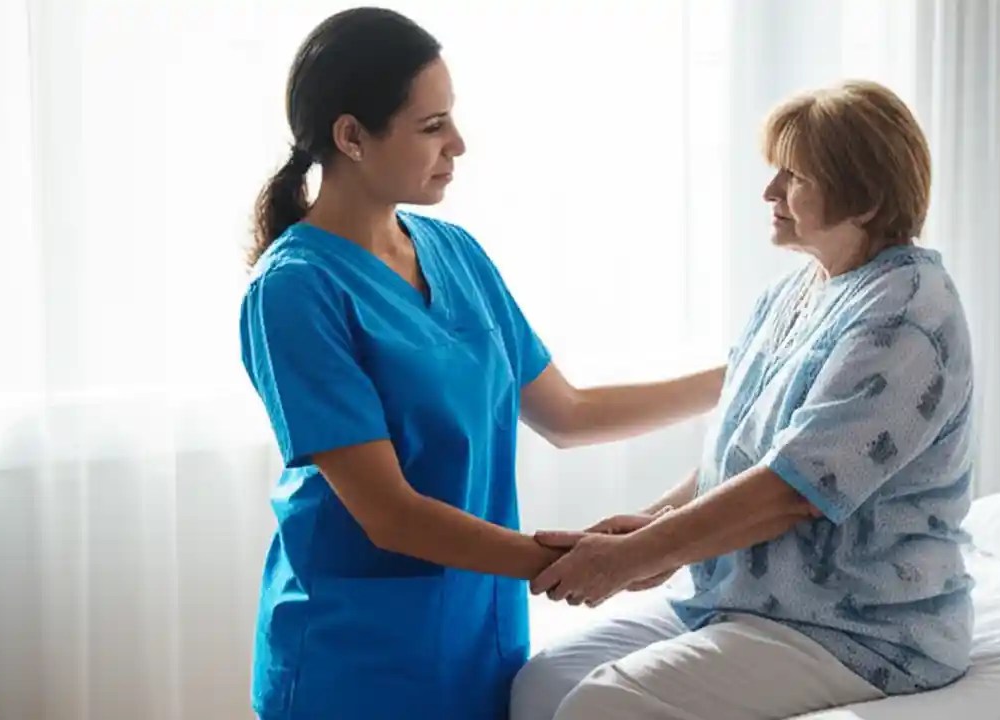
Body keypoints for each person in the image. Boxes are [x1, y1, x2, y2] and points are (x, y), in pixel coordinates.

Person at [237, 8, 725, 720]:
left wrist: (735, 379)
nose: (458, 144)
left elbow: (567, 412)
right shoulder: (294, 290)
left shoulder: (453, 251)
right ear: (351, 137)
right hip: (355, 664)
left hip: (478, 640)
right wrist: (581, 562)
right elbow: (391, 517)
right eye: (432, 126)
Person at [511, 79, 976, 720]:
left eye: (794, 176)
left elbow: (792, 488)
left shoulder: (908, 311)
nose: (769, 193)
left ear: (864, 199)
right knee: (542, 682)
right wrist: (652, 525)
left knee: (601, 708)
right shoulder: (790, 295)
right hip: (743, 601)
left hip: (862, 631)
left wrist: (640, 555)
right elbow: (742, 456)